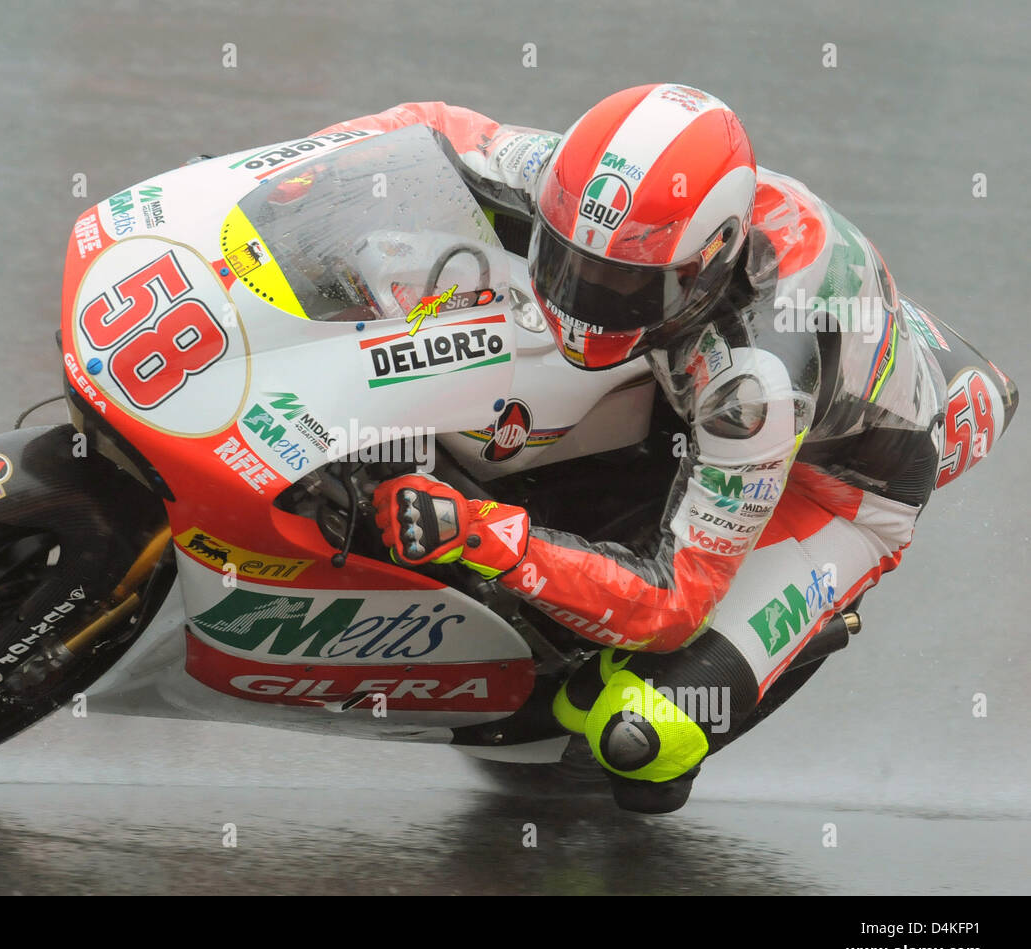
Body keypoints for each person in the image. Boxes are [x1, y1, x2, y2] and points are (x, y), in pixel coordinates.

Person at [325, 85, 1019, 812]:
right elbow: (426, 132)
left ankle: (624, 734)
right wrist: (256, 184)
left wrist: (482, 535)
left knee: (638, 735)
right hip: (681, 361)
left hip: (834, 487)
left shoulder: (755, 384)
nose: (579, 301)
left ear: (706, 262)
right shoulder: (599, 199)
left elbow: (671, 601)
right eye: (567, 262)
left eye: (618, 286)